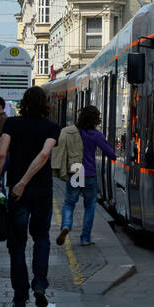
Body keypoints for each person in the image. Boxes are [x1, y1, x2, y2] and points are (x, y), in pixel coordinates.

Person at [0, 86, 61, 307]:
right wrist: (27, 181)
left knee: (17, 244)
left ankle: (19, 298)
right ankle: (39, 286)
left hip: (16, 192)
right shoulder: (51, 127)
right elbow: (43, 155)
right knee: (41, 238)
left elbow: (1, 154)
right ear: (44, 104)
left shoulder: (12, 124)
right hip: (42, 190)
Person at [55, 105, 115, 247]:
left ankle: (66, 225)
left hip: (75, 171)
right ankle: (85, 238)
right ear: (95, 120)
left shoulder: (72, 133)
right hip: (89, 174)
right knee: (89, 206)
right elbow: (111, 154)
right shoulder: (96, 135)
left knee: (69, 203)